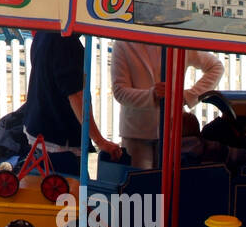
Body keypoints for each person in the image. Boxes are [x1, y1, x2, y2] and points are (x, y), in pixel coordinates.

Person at [111, 40, 224, 169]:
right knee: (141, 183)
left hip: (172, 129)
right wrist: (151, 96)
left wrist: (188, 96)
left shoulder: (176, 40)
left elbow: (216, 67)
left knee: (170, 181)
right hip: (136, 132)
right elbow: (120, 91)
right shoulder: (124, 43)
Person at [18, 31, 120, 166]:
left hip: (37, 127)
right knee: (76, 185)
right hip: (60, 138)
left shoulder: (44, 33)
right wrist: (99, 140)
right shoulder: (67, 44)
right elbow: (76, 96)